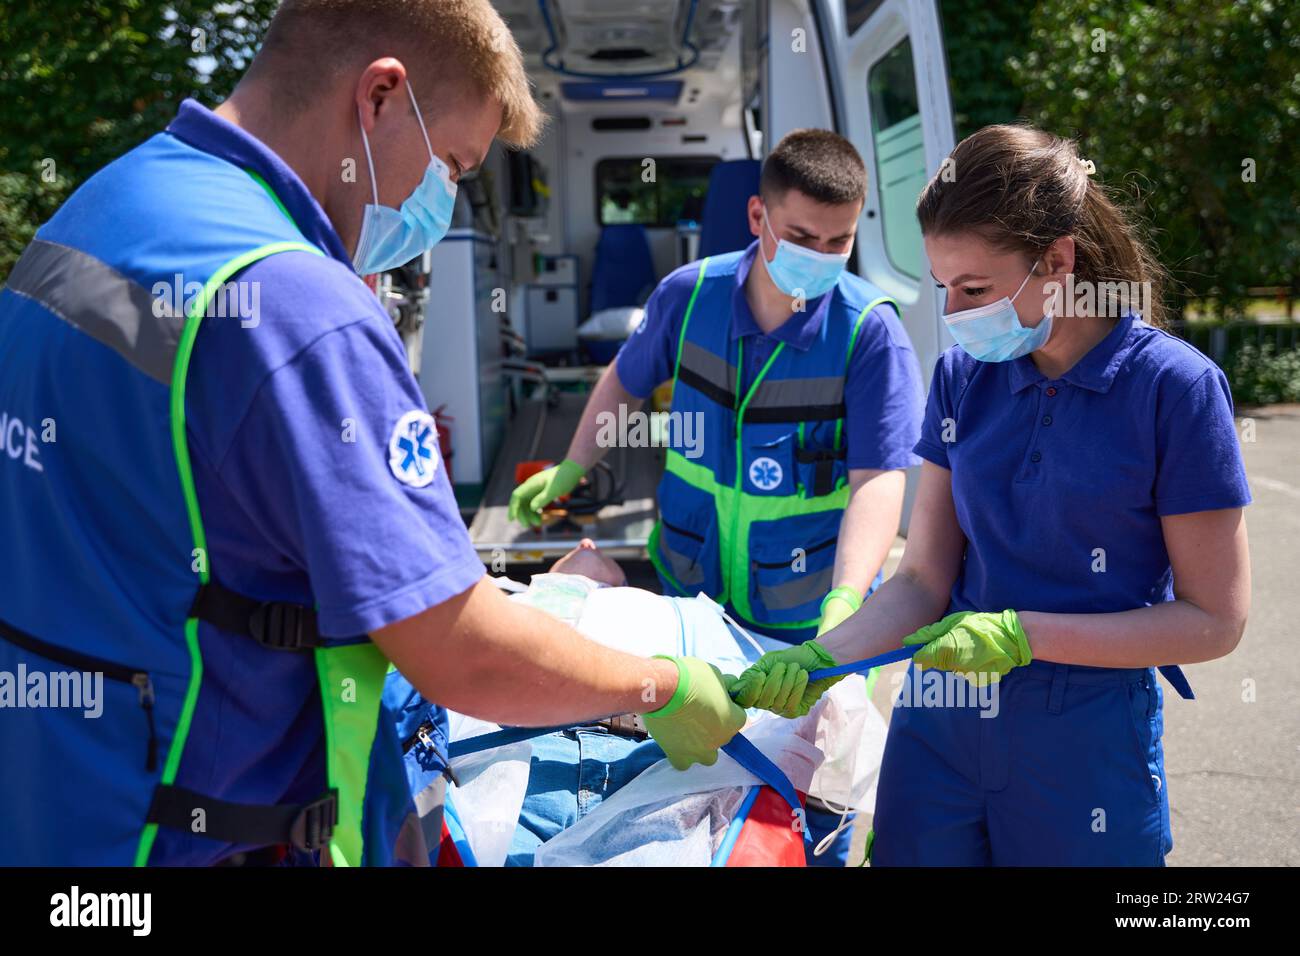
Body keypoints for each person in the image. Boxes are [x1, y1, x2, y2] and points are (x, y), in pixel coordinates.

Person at [0, 0, 741, 867]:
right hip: (193, 835)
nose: (440, 203)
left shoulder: (100, 209)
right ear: (381, 96)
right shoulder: (301, 309)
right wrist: (659, 684)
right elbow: (462, 656)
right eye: (452, 165)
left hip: (56, 803)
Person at [732, 124, 1252, 866]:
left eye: (973, 289)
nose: (953, 313)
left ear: (1059, 261)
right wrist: (820, 658)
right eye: (943, 287)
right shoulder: (962, 377)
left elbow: (1214, 621)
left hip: (1084, 741)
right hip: (939, 723)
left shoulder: (1175, 389)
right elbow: (922, 580)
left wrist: (1022, 635)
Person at [507, 130, 925, 863]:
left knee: (807, 803)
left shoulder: (868, 332)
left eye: (839, 242)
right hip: (692, 598)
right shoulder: (690, 295)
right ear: (758, 216)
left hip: (806, 625)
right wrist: (573, 468)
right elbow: (625, 381)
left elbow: (879, 480)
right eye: (802, 237)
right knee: (687, 789)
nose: (821, 256)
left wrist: (846, 603)